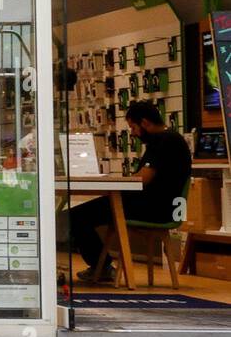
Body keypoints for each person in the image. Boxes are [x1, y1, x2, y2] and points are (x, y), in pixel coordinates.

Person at [70, 100, 192, 283]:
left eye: (133, 127)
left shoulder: (163, 141)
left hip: (153, 207)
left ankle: (101, 267)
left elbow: (143, 179)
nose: (133, 133)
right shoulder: (171, 139)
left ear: (144, 123)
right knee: (84, 214)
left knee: (76, 216)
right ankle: (101, 266)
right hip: (161, 206)